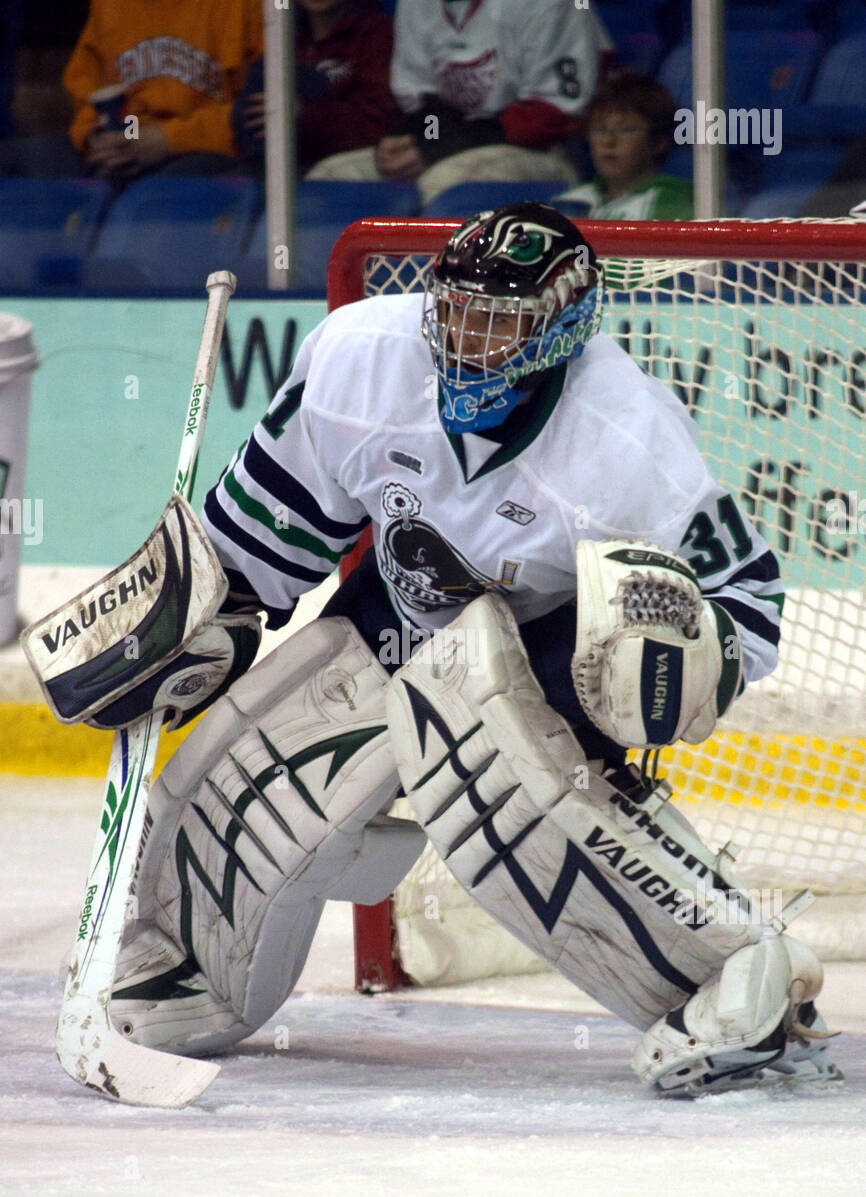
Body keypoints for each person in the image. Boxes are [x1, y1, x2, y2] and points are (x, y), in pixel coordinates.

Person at [104, 202, 837, 1096]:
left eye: (499, 322)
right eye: (455, 310)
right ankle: (190, 971)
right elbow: (271, 523)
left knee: (503, 805)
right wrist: (206, 620)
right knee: (234, 782)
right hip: (389, 622)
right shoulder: (359, 359)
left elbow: (745, 606)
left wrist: (658, 664)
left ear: (564, 327)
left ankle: (737, 975)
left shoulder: (626, 443)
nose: (467, 339)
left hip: (533, 671)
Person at [306, 0, 604, 204]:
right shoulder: (418, 5)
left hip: (546, 152)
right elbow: (425, 104)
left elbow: (554, 115)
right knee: (330, 176)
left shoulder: (546, 6)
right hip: (453, 143)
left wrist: (443, 147)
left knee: (443, 182)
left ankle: (440, 289)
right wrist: (421, 142)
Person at [6, 0, 264, 180]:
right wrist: (98, 138)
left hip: (201, 148)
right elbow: (89, 92)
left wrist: (168, 139)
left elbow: (255, 117)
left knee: (163, 190)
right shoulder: (112, 4)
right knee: (14, 160)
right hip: (131, 140)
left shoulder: (245, 5)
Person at [231, 0, 398, 177]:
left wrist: (303, 112)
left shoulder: (377, 34)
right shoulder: (282, 31)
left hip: (344, 173)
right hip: (272, 170)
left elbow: (380, 127)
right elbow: (248, 121)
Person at [556, 72, 693, 220]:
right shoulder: (572, 201)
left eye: (625, 130)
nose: (608, 141)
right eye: (599, 130)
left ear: (658, 142)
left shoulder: (669, 203)